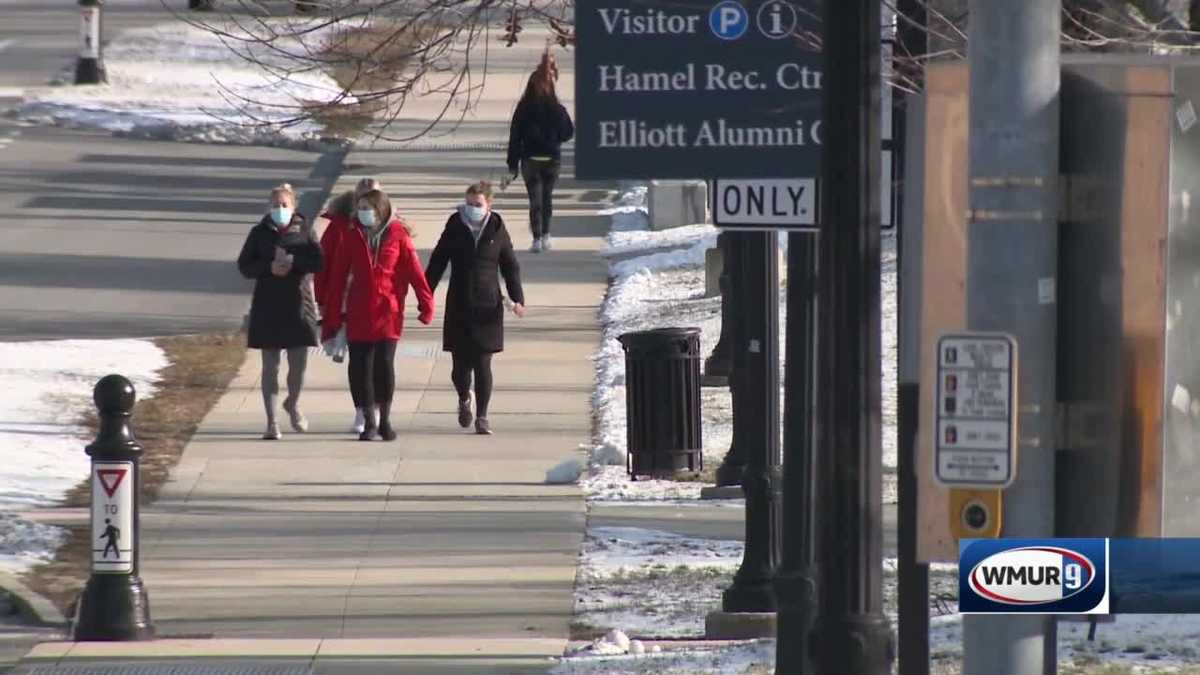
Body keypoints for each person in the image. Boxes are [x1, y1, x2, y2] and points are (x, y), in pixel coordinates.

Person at [321, 189, 435, 441]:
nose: (364, 213)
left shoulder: (398, 235)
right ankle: (369, 421)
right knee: (361, 368)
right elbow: (338, 277)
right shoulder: (351, 236)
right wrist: (331, 316)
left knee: (383, 366)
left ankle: (385, 419)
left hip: (388, 312)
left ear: (381, 210)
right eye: (360, 208)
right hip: (359, 311)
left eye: (368, 208)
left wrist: (426, 303)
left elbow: (415, 272)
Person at [425, 181, 526, 435]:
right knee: (460, 368)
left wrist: (517, 297)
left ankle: (482, 417)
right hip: (459, 303)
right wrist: (426, 291)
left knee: (483, 364)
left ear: (488, 205)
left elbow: (510, 265)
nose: (472, 209)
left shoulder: (497, 227)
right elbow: (439, 259)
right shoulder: (455, 224)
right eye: (469, 204)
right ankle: (463, 398)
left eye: (477, 205)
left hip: (488, 305)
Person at [237, 183, 323, 440]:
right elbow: (244, 265)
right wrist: (269, 267)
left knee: (298, 366)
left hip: (298, 304)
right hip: (268, 305)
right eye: (275, 205)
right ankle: (271, 421)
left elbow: (319, 261)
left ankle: (293, 404)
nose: (279, 209)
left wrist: (295, 262)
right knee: (270, 366)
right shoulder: (259, 233)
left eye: (284, 205)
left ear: (293, 207)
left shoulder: (305, 231)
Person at [316, 177, 383, 434]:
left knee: (380, 361)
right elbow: (324, 265)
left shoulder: (390, 227)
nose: (368, 204)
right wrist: (322, 300)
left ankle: (377, 408)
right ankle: (361, 410)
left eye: (374, 197)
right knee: (359, 360)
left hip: (380, 305)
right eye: (363, 198)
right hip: (347, 304)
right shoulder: (339, 227)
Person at [506, 68, 574, 253]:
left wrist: (512, 164)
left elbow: (567, 132)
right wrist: (512, 163)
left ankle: (541, 236)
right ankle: (541, 236)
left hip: (539, 159)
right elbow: (567, 133)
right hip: (541, 159)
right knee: (541, 199)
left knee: (540, 200)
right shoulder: (553, 108)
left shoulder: (530, 109)